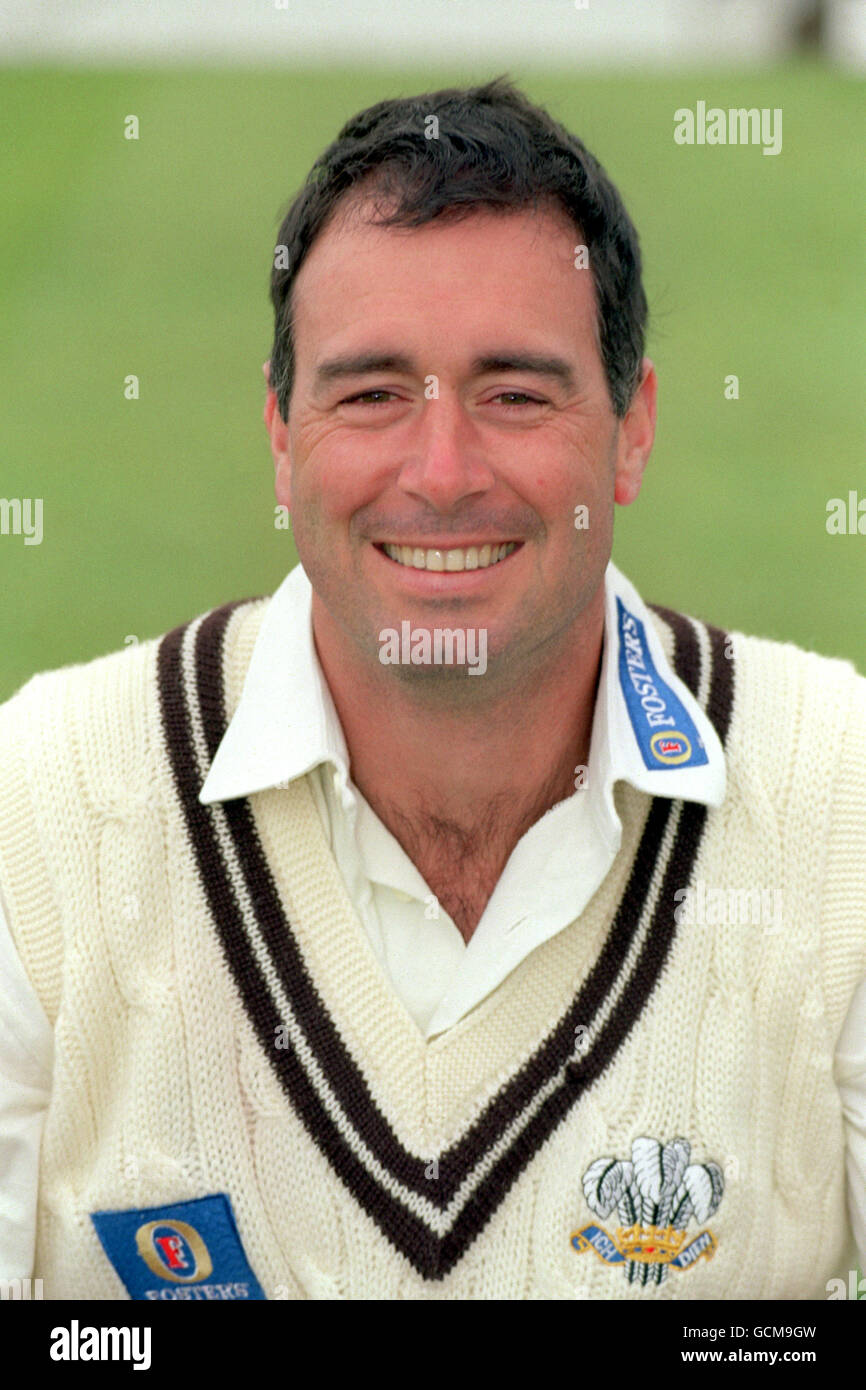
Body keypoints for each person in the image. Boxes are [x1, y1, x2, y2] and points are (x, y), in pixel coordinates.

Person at [0, 77, 863, 1301]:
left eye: (514, 393)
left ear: (629, 430)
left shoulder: (840, 796)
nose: (442, 470)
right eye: (369, 394)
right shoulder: (34, 805)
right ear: (280, 436)